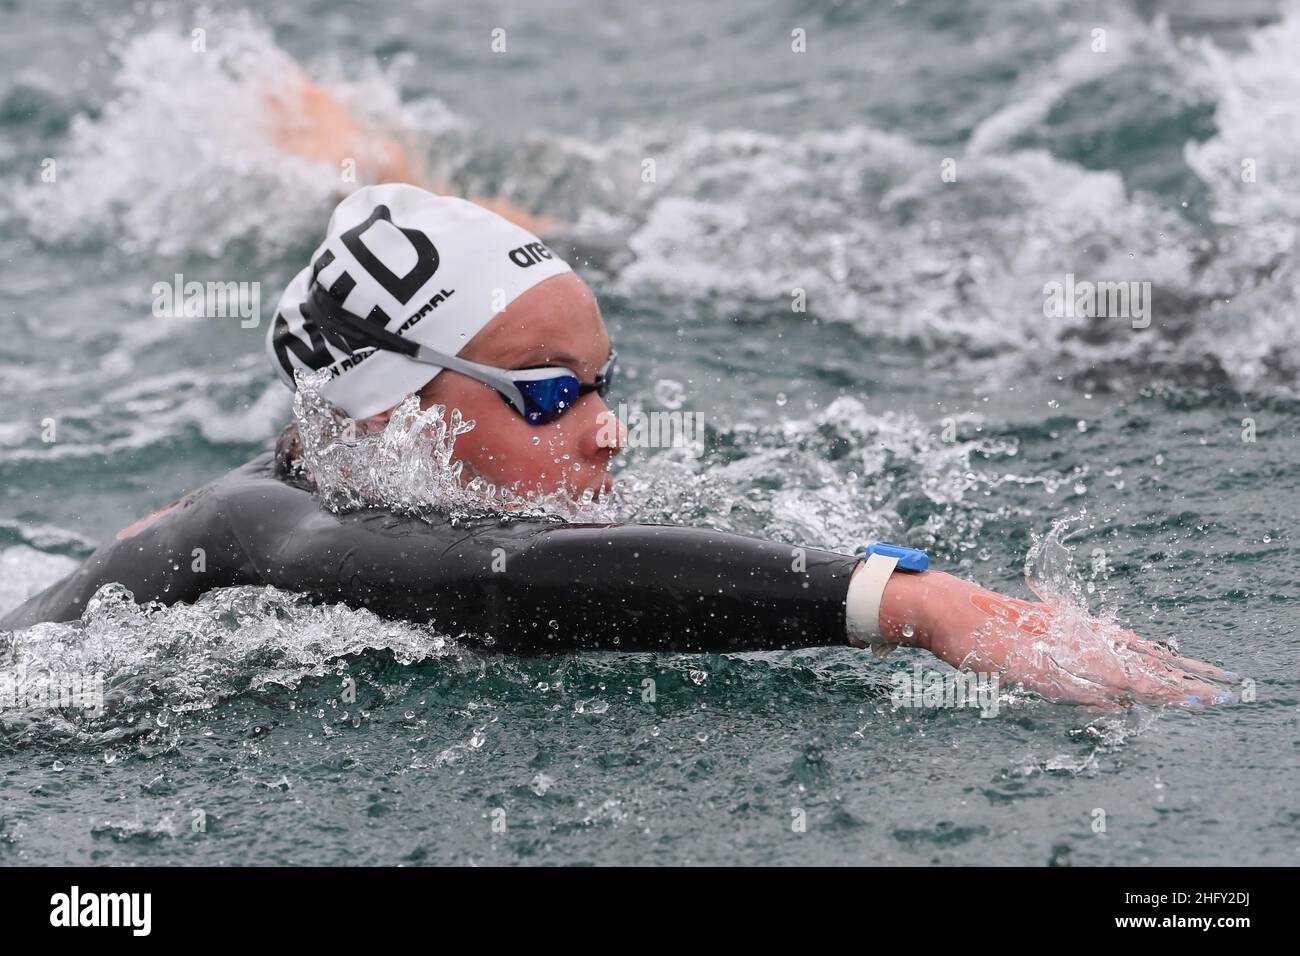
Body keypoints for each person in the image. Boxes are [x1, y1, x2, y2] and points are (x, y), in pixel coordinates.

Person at [1, 180, 1234, 710]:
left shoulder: (315, 465)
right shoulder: (273, 532)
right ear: (393, 411)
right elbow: (496, 582)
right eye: (546, 396)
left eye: (604, 382)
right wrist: (916, 603)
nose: (610, 430)